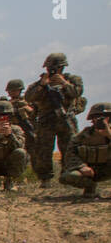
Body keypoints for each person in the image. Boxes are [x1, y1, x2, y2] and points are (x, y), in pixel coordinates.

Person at [25, 52, 86, 187]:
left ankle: (69, 176)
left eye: (56, 68)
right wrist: (42, 85)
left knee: (70, 148)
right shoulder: (41, 82)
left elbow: (77, 92)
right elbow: (29, 97)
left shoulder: (72, 79)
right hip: (46, 120)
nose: (52, 70)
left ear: (62, 67)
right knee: (43, 150)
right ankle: (45, 179)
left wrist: (64, 83)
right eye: (50, 68)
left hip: (66, 119)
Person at [59, 102, 111, 198]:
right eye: (97, 117)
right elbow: (70, 154)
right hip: (90, 171)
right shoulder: (83, 136)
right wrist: (81, 167)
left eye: (105, 117)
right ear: (92, 119)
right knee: (67, 177)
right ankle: (90, 187)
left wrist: (108, 135)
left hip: (108, 169)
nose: (100, 120)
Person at [3, 78, 37, 162]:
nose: (11, 93)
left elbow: (34, 114)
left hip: (27, 130)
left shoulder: (27, 101)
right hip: (12, 131)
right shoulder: (6, 104)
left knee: (33, 153)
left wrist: (25, 107)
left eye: (14, 90)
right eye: (10, 91)